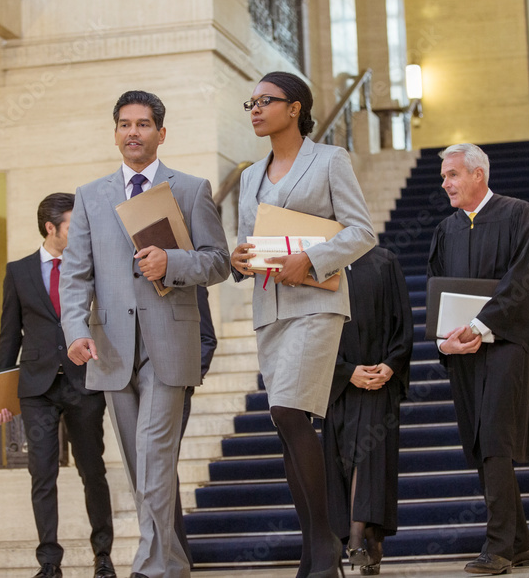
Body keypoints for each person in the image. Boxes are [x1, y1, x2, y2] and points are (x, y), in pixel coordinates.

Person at [60, 91, 230, 578]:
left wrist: (171, 262)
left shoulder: (190, 189)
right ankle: (171, 560)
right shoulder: (91, 195)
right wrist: (75, 330)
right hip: (111, 348)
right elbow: (76, 275)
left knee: (155, 453)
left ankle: (151, 564)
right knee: (141, 465)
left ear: (160, 132)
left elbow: (218, 262)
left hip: (168, 345)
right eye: (124, 124)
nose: (133, 132)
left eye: (143, 124)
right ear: (115, 132)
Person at [230, 71, 376, 578]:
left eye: (264, 101)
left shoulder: (331, 159)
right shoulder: (249, 175)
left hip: (316, 304)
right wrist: (239, 257)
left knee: (293, 413)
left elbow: (362, 231)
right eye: (250, 102)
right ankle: (314, 548)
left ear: (294, 108)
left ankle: (323, 540)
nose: (254, 109)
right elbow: (250, 239)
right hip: (270, 308)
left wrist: (312, 260)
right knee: (284, 421)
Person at [427, 143, 529, 576]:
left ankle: (497, 547)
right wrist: (445, 341)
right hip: (462, 350)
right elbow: (436, 289)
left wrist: (478, 327)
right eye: (444, 176)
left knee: (496, 438)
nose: (445, 183)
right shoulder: (446, 230)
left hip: (506, 342)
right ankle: (520, 544)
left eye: (453, 175)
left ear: (478, 174)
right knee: (480, 443)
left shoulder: (519, 214)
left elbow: (525, 280)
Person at [0, 192, 115, 578]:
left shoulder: (92, 266)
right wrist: (0, 395)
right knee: (41, 473)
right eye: (72, 225)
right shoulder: (19, 272)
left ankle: (103, 556)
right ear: (51, 228)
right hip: (37, 388)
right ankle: (49, 562)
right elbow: (8, 336)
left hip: (85, 383)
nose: (80, 232)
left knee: (92, 470)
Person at [322, 246, 413, 576]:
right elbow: (312, 334)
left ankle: (358, 536)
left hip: (379, 381)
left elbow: (402, 320)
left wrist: (390, 366)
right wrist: (346, 372)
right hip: (341, 387)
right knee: (345, 464)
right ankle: (368, 544)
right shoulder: (317, 265)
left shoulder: (383, 261)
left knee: (369, 456)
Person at [173, 285, 218, 566]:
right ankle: (169, 553)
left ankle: (175, 554)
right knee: (149, 473)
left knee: (162, 468)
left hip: (176, 386)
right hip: (134, 390)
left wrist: (187, 379)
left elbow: (206, 339)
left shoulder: (190, 280)